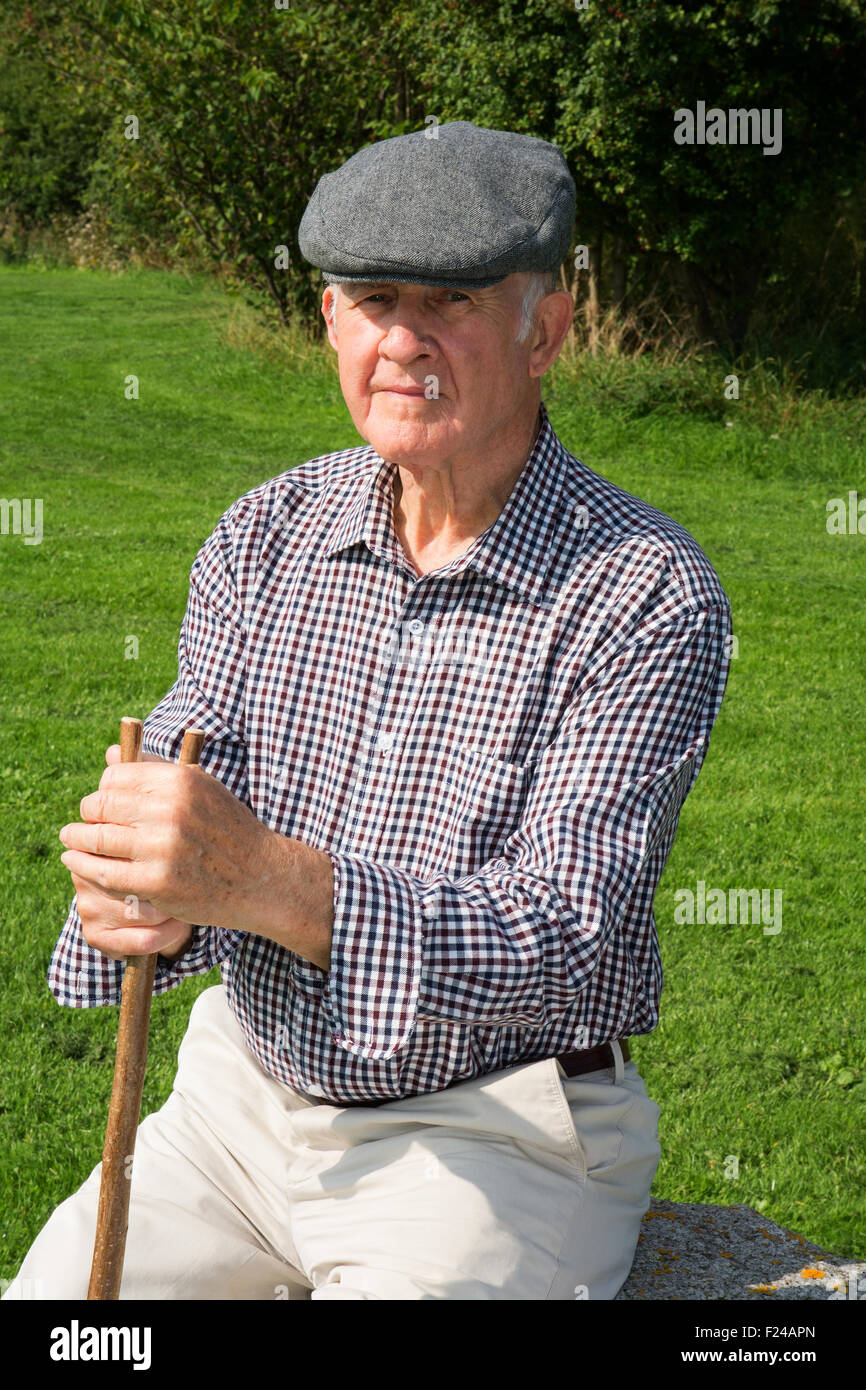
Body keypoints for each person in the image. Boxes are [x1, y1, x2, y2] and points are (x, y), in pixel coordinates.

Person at [5, 121, 731, 1301]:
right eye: (369, 296)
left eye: (448, 300)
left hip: (490, 1136)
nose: (402, 339)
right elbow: (200, 767)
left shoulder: (641, 589)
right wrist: (146, 881)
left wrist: (269, 880)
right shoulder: (266, 532)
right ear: (328, 322)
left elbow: (568, 934)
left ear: (541, 329)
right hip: (240, 1099)